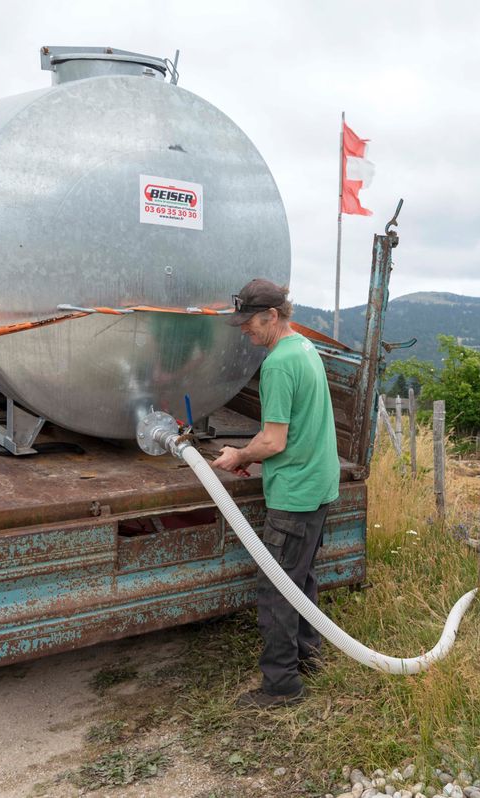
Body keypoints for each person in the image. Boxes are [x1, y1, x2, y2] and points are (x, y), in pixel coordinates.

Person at [211, 278, 339, 708]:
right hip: (319, 484)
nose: (244, 331)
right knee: (300, 579)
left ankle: (282, 686)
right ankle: (310, 658)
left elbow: (275, 441)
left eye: (249, 324)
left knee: (276, 589)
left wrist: (239, 455)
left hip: (295, 492)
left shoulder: (279, 363)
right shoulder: (304, 348)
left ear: (272, 316)